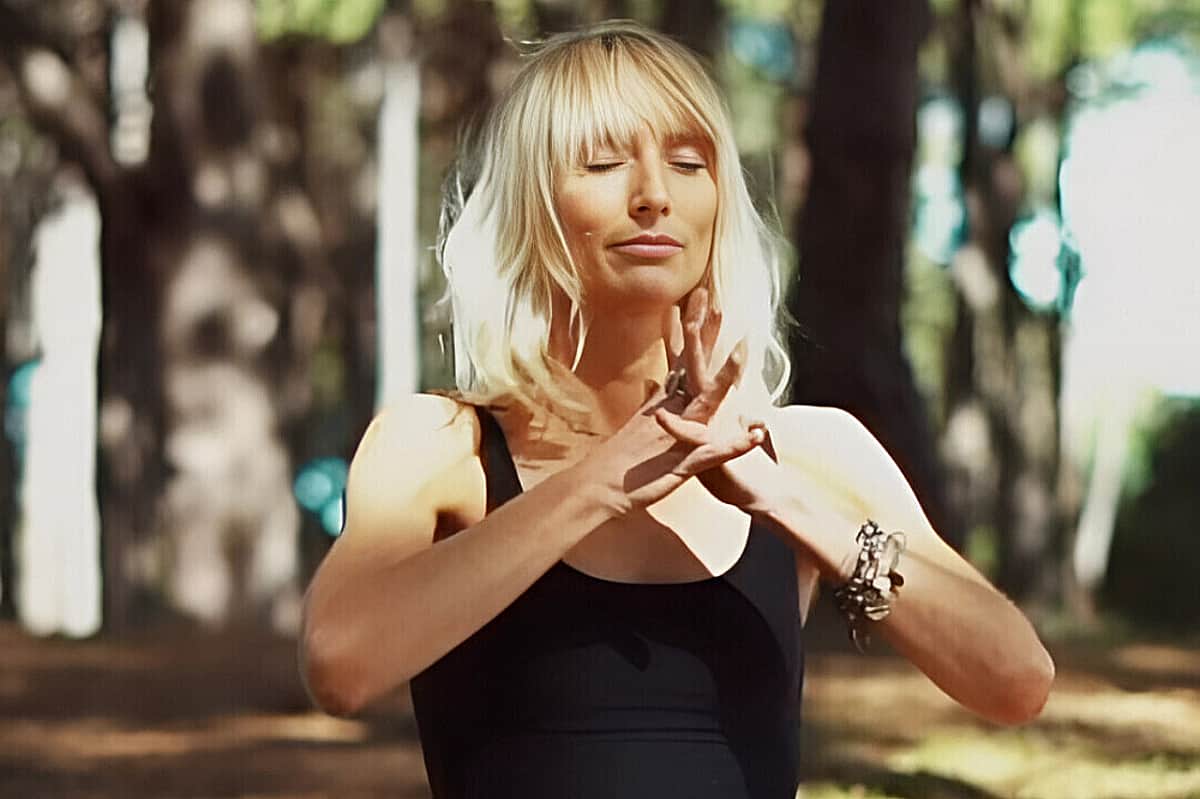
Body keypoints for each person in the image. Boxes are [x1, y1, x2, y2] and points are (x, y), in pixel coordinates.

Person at [299, 20, 1055, 798]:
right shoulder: (440, 443)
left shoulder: (810, 453)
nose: (655, 194)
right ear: (533, 206)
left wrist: (784, 501)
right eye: (602, 161)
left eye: (689, 163)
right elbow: (341, 665)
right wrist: (597, 483)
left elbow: (1016, 679)